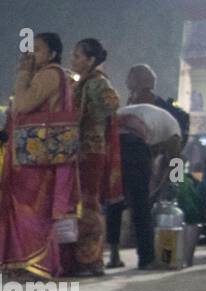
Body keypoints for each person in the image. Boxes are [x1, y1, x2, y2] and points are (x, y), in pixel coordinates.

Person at [0, 32, 80, 280]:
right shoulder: (50, 74)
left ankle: (37, 264)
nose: (32, 55)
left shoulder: (50, 74)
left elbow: (22, 105)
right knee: (26, 210)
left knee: (31, 211)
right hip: (32, 154)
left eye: (38, 49)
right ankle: (23, 263)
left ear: (52, 54)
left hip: (36, 159)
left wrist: (22, 74)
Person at [107, 103, 183, 270]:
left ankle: (114, 256)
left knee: (114, 199)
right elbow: (176, 160)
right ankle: (147, 259)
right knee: (141, 205)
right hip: (133, 143)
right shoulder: (175, 130)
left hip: (110, 142)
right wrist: (174, 183)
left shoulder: (151, 117)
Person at [71, 38, 121, 276]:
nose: (73, 60)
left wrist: (92, 115)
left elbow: (113, 104)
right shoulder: (83, 83)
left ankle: (91, 259)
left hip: (91, 151)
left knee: (89, 204)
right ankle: (85, 258)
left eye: (78, 56)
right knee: (81, 203)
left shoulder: (97, 82)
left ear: (91, 60)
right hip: (82, 150)